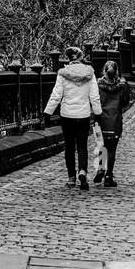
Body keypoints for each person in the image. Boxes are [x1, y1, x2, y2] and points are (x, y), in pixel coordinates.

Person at [42, 46, 102, 191]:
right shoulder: (90, 73)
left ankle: (71, 178)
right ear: (81, 57)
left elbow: (56, 95)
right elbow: (94, 96)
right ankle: (82, 170)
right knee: (82, 145)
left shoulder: (63, 74)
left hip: (67, 114)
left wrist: (47, 113)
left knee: (69, 146)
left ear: (68, 58)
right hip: (83, 115)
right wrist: (98, 114)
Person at [94, 60, 132, 188]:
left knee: (101, 145)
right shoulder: (122, 85)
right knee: (112, 149)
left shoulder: (98, 85)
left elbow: (94, 100)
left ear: (104, 71)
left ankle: (100, 168)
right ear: (116, 72)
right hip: (115, 120)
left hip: (101, 119)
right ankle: (109, 175)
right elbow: (126, 101)